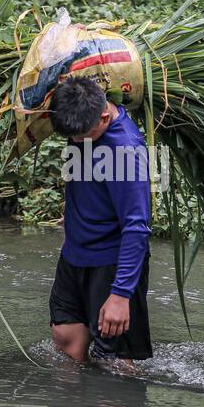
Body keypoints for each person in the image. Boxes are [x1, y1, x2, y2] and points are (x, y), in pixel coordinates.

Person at [47, 76, 153, 363]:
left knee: (114, 362)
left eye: (83, 136)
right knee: (66, 337)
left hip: (112, 262)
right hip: (75, 253)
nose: (77, 141)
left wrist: (120, 295)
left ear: (105, 116)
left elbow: (137, 227)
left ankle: (117, 402)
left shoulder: (126, 151)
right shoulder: (78, 117)